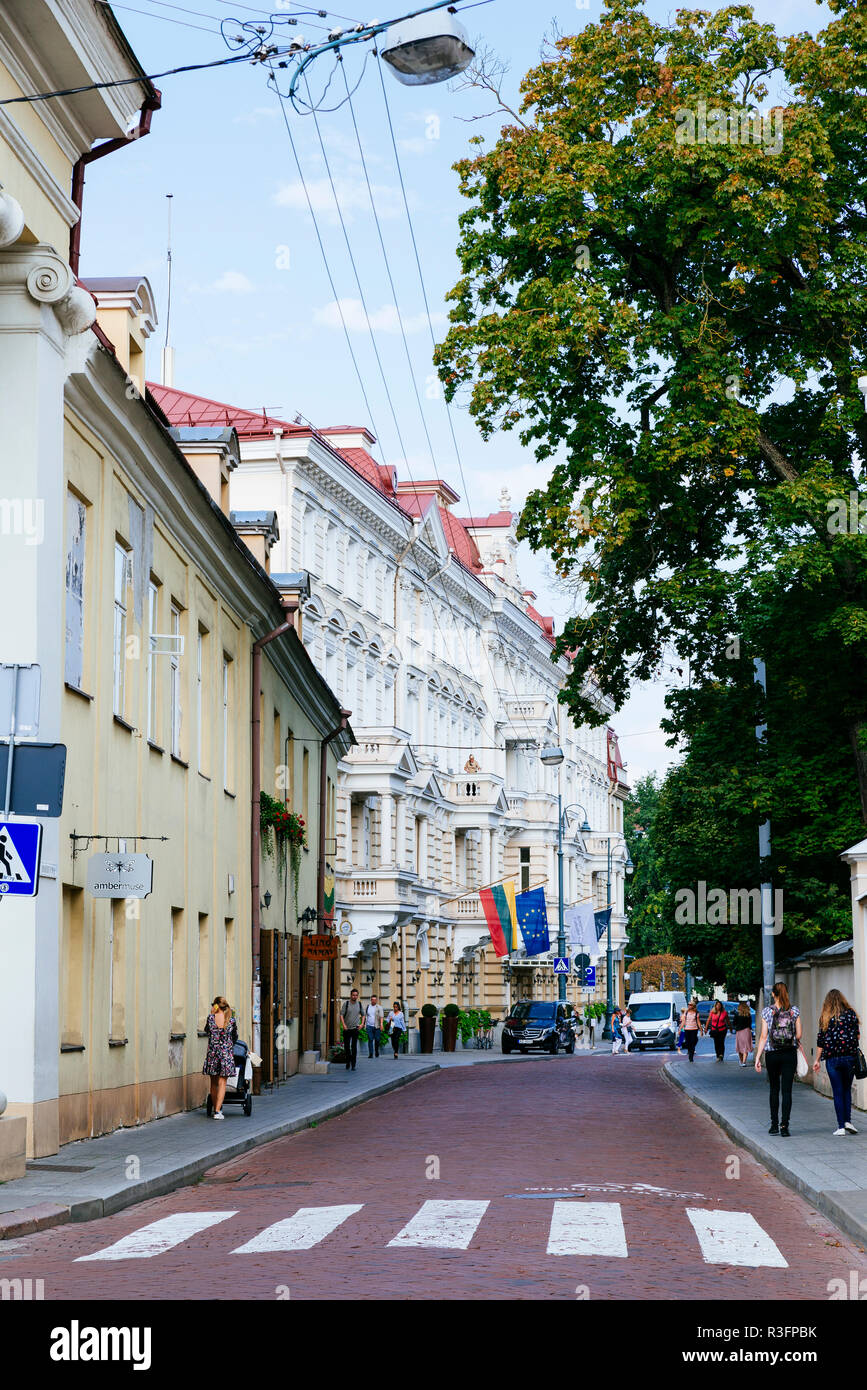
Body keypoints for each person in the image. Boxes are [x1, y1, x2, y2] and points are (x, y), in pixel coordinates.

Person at [755, 981, 802, 1136]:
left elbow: (763, 1036)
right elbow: (799, 1034)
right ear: (786, 992)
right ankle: (784, 1126)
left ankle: (774, 1125)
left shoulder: (767, 1012)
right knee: (787, 1091)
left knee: (774, 1089)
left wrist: (757, 1057)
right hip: (789, 1053)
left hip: (772, 1054)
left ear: (773, 994)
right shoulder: (794, 1011)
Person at [813, 988, 861, 1136]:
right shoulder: (851, 1014)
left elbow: (821, 1042)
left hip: (832, 1059)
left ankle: (841, 1126)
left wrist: (817, 1060)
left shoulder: (825, 1017)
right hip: (849, 1058)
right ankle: (848, 1122)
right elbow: (857, 1036)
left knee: (838, 1092)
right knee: (847, 1090)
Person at [202, 995, 238, 1120]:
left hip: (212, 1053)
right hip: (226, 1054)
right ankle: (217, 1111)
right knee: (222, 1082)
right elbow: (235, 1037)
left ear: (216, 1006)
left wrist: (212, 1014)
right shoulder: (231, 1020)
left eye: (213, 1005)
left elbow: (207, 1031)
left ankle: (216, 1109)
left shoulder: (211, 1018)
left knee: (213, 1083)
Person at [340, 988, 362, 1071]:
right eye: (353, 995)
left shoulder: (359, 1004)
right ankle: (348, 1061)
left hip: (355, 1029)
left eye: (356, 995)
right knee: (347, 1047)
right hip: (347, 1029)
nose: (355, 996)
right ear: (351, 995)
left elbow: (363, 1015)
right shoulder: (346, 1004)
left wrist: (362, 1024)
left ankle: (353, 1064)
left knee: (354, 1047)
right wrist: (344, 1025)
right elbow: (341, 1015)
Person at [734, 1001, 754, 1067]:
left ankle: (741, 1061)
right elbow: (750, 1024)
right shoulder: (748, 1015)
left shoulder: (737, 1014)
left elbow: (734, 1023)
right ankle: (744, 1062)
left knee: (740, 1046)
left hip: (739, 1031)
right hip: (747, 1031)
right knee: (745, 1047)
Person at [365, 994, 384, 1059]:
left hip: (377, 1026)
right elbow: (366, 1016)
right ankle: (371, 1053)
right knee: (370, 1039)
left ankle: (376, 1051)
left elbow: (381, 1016)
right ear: (371, 1000)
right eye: (372, 1000)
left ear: (376, 1000)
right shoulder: (368, 1007)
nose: (373, 1001)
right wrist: (365, 1024)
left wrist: (381, 1024)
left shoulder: (379, 1007)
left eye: (375, 1000)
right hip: (369, 1026)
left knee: (377, 1040)